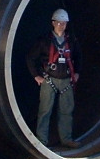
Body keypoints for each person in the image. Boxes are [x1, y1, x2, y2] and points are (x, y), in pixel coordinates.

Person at [26, 8, 81, 148]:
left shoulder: (71, 40)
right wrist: (36, 76)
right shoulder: (44, 41)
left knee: (66, 111)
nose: (61, 25)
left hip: (67, 81)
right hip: (49, 80)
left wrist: (77, 73)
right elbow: (31, 58)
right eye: (59, 23)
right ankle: (42, 141)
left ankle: (66, 139)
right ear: (53, 23)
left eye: (64, 23)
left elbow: (78, 57)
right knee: (45, 111)